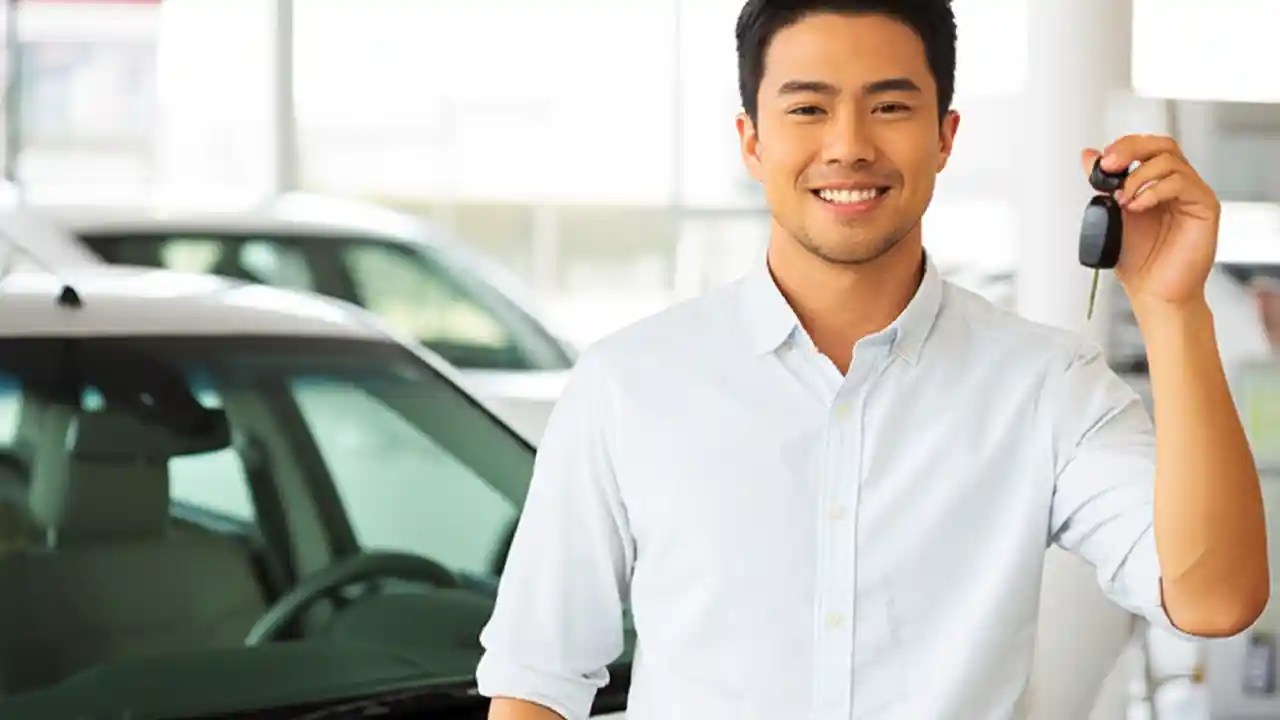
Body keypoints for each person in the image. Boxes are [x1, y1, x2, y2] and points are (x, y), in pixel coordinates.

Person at [476, 1, 1271, 718]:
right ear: (752, 140)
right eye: (809, 108)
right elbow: (536, 680)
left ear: (944, 137)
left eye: (889, 107)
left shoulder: (1044, 387)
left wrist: (1172, 306)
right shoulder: (629, 385)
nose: (849, 146)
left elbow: (1214, 598)